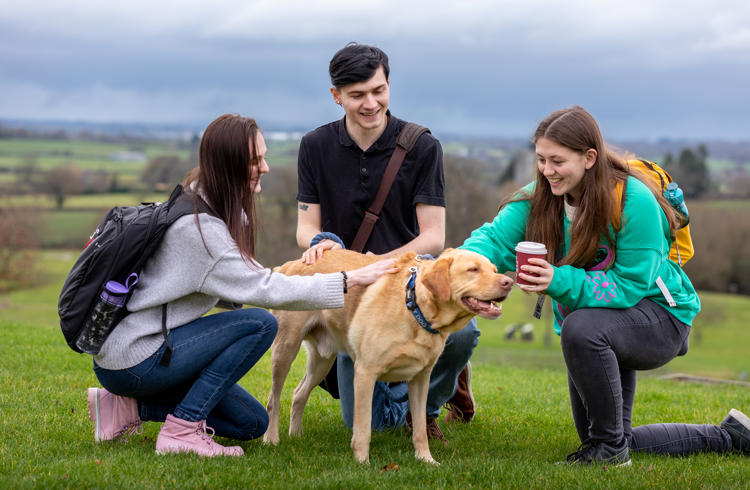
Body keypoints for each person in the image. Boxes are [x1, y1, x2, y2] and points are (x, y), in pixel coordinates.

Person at [86, 114, 397, 457]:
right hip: (135, 355)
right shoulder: (202, 230)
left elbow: (233, 280)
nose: (264, 167)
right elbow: (262, 288)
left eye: (263, 157)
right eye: (254, 160)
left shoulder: (206, 202)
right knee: (260, 323)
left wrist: (318, 249)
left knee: (250, 423)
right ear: (227, 164)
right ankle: (183, 431)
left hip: (145, 350)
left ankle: (125, 408)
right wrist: (346, 280)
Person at [460, 106, 750, 465]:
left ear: (589, 158)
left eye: (557, 161)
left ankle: (611, 454)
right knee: (605, 433)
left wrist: (557, 278)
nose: (547, 171)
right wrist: (455, 265)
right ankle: (730, 437)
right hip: (603, 321)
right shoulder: (543, 195)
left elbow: (628, 286)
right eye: (540, 160)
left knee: (580, 329)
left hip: (660, 315)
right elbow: (495, 239)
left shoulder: (634, 201)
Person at [295, 42, 479, 438]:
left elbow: (433, 236)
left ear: (389, 85)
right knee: (369, 424)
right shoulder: (315, 146)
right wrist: (323, 244)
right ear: (336, 96)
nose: (370, 103)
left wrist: (383, 264)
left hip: (410, 283)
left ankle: (426, 406)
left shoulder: (422, 147)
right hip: (351, 295)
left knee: (463, 331)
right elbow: (305, 228)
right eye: (357, 95)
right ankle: (405, 384)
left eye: (378, 90)